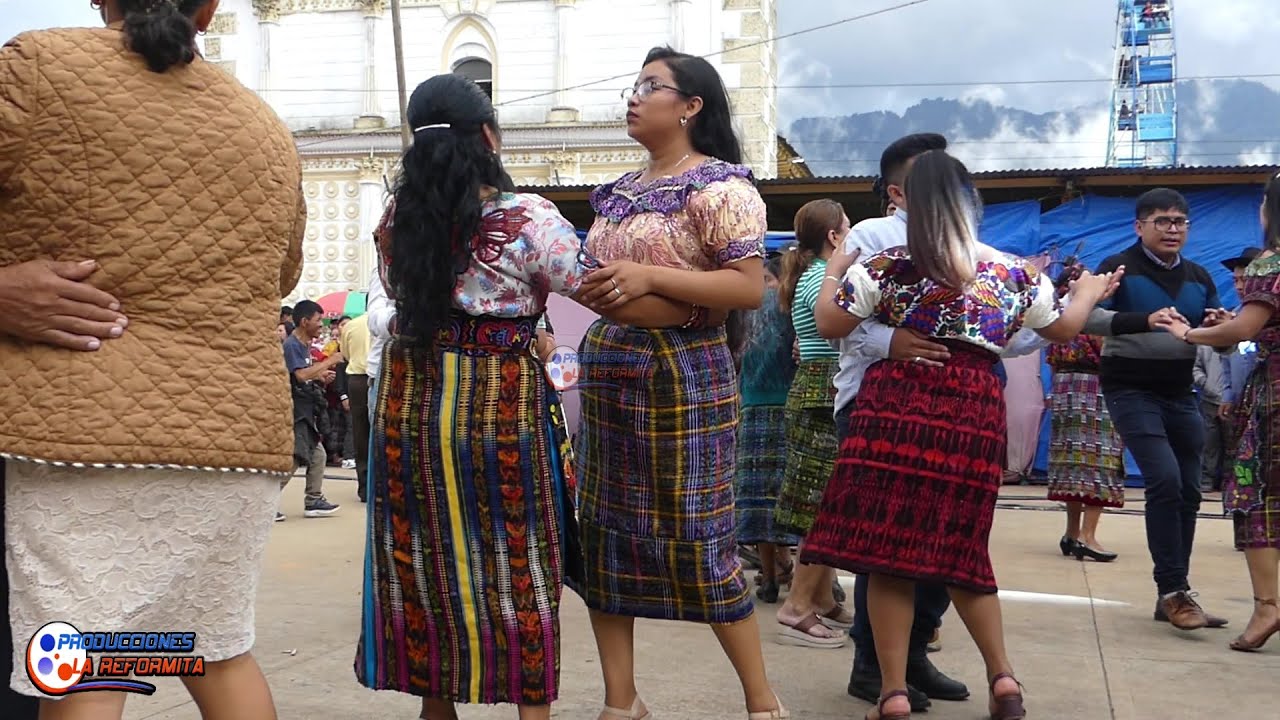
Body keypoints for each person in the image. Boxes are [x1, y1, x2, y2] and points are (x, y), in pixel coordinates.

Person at [0, 0, 307, 716]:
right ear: (210, 7)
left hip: (85, 426)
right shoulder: (263, 126)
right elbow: (282, 275)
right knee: (214, 652)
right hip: (234, 437)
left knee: (87, 662)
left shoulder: (37, 66)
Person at [805, 149, 1119, 720]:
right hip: (971, 411)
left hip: (893, 410)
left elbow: (831, 324)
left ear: (910, 202)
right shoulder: (1011, 271)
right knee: (962, 550)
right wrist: (1089, 292)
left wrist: (833, 266)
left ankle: (893, 692)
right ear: (970, 202)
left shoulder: (886, 266)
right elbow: (1064, 327)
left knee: (889, 556)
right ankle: (1003, 679)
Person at [352, 72, 587, 720]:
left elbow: (398, 294)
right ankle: (530, 712)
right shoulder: (527, 217)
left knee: (427, 558)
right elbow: (587, 281)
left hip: (412, 401)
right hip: (496, 402)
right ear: (487, 136)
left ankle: (437, 710)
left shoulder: (396, 221)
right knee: (519, 562)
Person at [571, 46, 788, 720]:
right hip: (610, 372)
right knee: (604, 536)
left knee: (699, 536)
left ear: (691, 106)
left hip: (684, 377)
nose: (634, 97)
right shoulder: (620, 193)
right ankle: (620, 701)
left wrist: (653, 278)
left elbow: (747, 288)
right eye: (634, 85)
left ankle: (761, 702)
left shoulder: (720, 187)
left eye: (651, 86)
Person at [1083, 188, 1230, 631]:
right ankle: (1172, 591)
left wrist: (1219, 328)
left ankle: (1174, 592)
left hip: (1180, 391)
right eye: (1162, 221)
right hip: (1129, 389)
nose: (1173, 229)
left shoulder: (1200, 277)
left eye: (1180, 221)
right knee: (1164, 479)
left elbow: (1206, 333)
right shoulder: (1117, 268)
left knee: (1189, 488)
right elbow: (1085, 317)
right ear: (1139, 226)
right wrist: (1142, 321)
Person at [1152, 172, 1280, 652]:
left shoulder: (1272, 259)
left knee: (1258, 497)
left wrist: (1190, 334)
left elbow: (1243, 329)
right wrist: (1244, 326)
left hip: (1275, 396)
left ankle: (1269, 604)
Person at [772, 199, 854, 649]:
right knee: (825, 506)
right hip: (823, 393)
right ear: (834, 237)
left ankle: (820, 598)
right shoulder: (823, 279)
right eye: (847, 225)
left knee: (822, 504)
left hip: (817, 388)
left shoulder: (812, 277)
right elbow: (839, 328)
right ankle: (799, 606)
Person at [735, 257, 800, 604]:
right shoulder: (790, 308)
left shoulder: (742, 311)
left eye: (765, 280)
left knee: (761, 500)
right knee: (787, 498)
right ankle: (789, 572)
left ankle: (773, 575)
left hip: (756, 408)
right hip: (783, 406)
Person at [282, 301, 344, 521]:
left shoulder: (305, 345)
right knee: (296, 457)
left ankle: (313, 500)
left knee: (318, 455)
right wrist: (329, 362)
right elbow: (299, 376)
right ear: (304, 321)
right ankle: (266, 501)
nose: (321, 324)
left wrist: (319, 376)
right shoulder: (292, 345)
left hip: (308, 409)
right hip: (296, 411)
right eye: (318, 320)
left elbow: (304, 374)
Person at [340, 312, 372, 501]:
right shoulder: (392, 319)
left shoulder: (351, 326)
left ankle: (364, 487)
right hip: (381, 376)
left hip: (357, 380)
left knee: (360, 433)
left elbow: (345, 354)